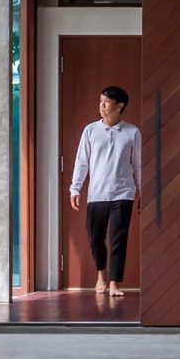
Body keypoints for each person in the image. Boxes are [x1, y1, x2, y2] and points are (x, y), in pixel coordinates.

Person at [69, 84, 143, 298]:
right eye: (100, 101)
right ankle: (101, 274)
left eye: (107, 102)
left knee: (118, 238)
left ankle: (114, 283)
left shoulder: (132, 132)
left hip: (123, 194)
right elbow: (82, 162)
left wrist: (142, 192)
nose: (101, 105)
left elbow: (138, 164)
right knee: (95, 238)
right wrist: (76, 188)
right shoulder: (90, 130)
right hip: (97, 194)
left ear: (120, 105)